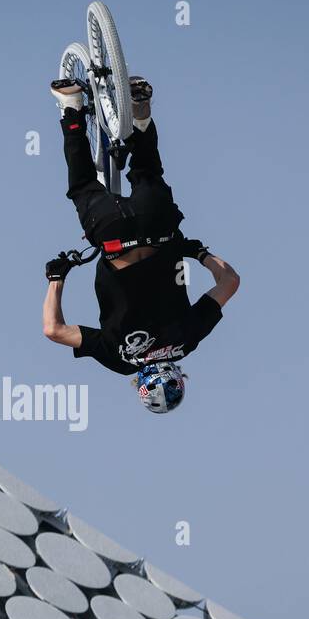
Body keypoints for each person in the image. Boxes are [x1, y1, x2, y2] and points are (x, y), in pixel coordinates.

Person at [42, 75, 240, 413]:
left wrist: (197, 252)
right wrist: (57, 278)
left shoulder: (187, 340)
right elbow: (54, 330)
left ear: (178, 375)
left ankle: (140, 113)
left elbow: (230, 281)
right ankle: (71, 107)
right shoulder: (121, 360)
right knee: (82, 186)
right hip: (113, 235)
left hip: (158, 226)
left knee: (148, 170)